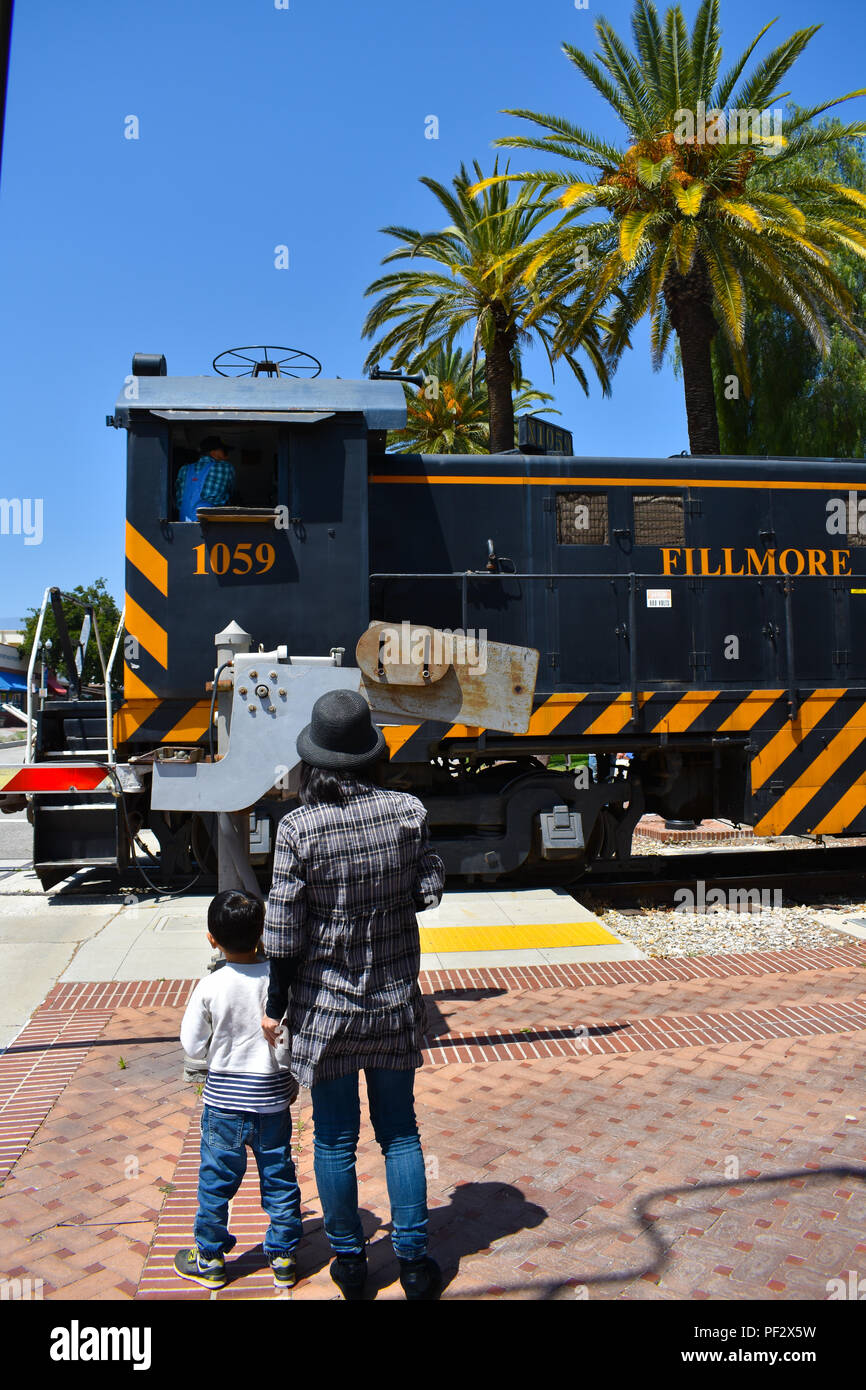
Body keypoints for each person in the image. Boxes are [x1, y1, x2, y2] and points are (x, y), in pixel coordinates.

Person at [261, 689, 445, 1301]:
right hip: (392, 1001)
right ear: (371, 752)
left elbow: (283, 932)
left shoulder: (297, 827)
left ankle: (348, 1262)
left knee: (334, 1138)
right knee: (400, 1131)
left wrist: (276, 1005)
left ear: (315, 759)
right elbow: (427, 890)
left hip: (325, 1010)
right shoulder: (407, 812)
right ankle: (415, 1262)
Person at [174, 890, 302, 1290]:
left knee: (216, 1180)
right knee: (278, 1176)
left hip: (224, 1103)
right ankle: (283, 1255)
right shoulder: (275, 983)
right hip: (271, 1101)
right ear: (262, 933)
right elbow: (286, 1039)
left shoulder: (211, 985)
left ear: (212, 938)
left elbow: (192, 1045)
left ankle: (209, 1257)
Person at [175, 436, 235, 521]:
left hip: (184, 522)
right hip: (211, 523)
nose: (227, 456)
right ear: (213, 453)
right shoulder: (226, 467)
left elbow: (178, 498)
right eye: (224, 452)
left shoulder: (184, 469)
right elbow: (230, 491)